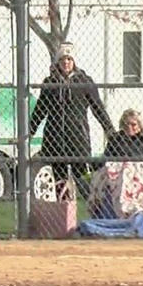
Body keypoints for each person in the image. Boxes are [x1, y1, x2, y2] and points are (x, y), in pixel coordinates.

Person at [29, 42, 115, 198]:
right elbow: (40, 110)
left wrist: (109, 129)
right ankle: (63, 214)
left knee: (81, 178)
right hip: (55, 139)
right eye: (63, 59)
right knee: (60, 183)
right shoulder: (50, 83)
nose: (66, 63)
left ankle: (88, 208)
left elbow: (98, 108)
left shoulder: (84, 81)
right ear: (57, 62)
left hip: (78, 138)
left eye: (69, 59)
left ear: (74, 61)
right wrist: (29, 131)